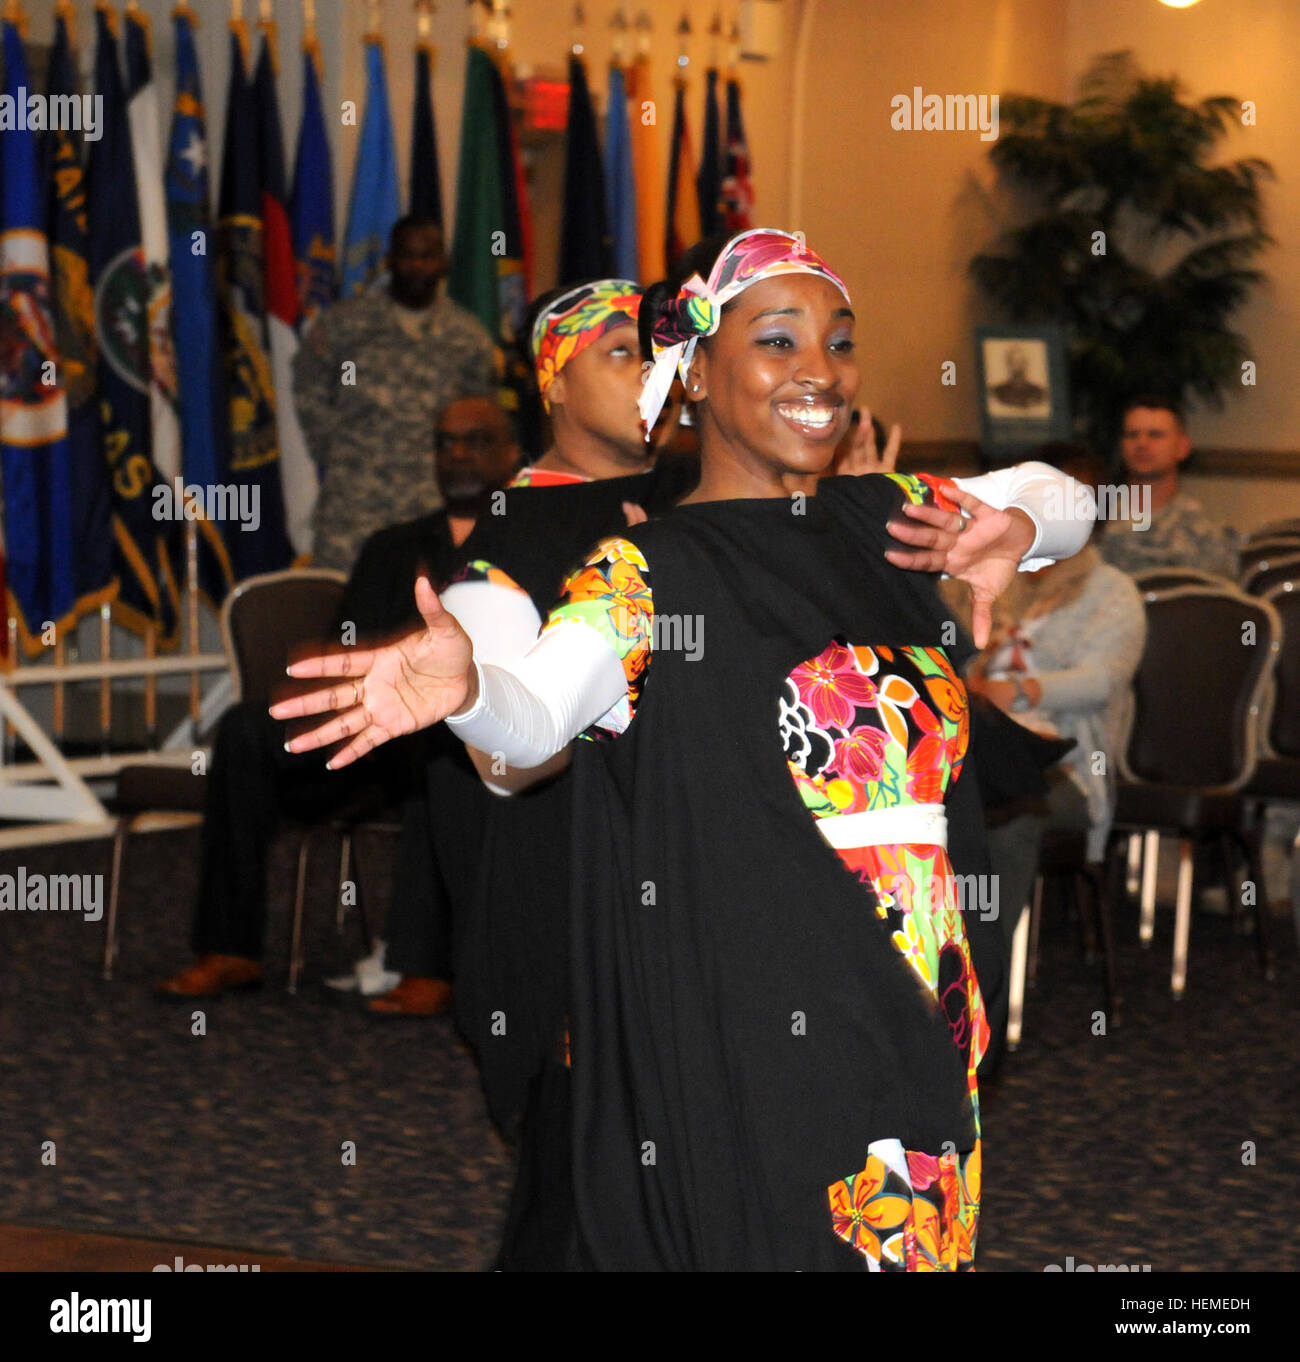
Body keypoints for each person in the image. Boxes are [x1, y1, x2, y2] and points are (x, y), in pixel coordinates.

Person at [273, 229, 1091, 1271]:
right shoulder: (646, 571)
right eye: (777, 340)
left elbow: (1068, 501)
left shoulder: (881, 516)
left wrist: (1015, 525)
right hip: (768, 1008)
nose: (818, 373)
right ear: (696, 373)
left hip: (925, 984)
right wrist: (472, 691)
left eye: (839, 342)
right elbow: (536, 720)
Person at [154, 398, 519, 1000]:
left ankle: (426, 965)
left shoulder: (525, 544)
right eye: (445, 442)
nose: (458, 454)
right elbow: (344, 648)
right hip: (367, 733)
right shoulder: (392, 548)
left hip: (469, 732)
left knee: (440, 747)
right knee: (247, 730)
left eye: (477, 441)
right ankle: (229, 948)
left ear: (511, 454)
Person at [949, 442, 1147, 1022]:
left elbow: (1102, 681)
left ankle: (976, 990)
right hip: (976, 743)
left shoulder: (1113, 591)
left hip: (1063, 764)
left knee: (1012, 812)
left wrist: (1019, 691)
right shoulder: (992, 573)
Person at [294, 217, 497, 572]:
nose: (417, 266)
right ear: (389, 260)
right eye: (407, 256)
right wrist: (336, 449)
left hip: (431, 503)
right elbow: (308, 386)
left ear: (444, 262)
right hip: (354, 505)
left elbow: (480, 416)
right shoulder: (346, 323)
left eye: (427, 256)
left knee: (427, 610)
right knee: (345, 614)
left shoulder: (467, 337)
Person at [1097, 394, 1240, 579]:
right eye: (1132, 435)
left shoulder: (1205, 533)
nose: (1141, 443)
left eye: (1155, 435)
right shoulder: (1094, 523)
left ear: (1182, 447)